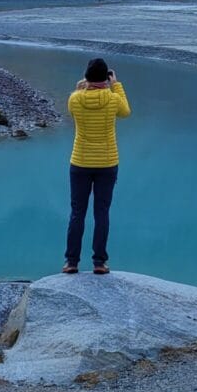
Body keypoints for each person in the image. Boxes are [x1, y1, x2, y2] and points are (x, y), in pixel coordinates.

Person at [63, 57, 129, 275]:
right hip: (107, 163)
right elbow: (126, 111)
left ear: (87, 77)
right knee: (102, 213)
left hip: (80, 162)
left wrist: (84, 87)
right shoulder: (112, 99)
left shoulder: (74, 99)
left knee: (77, 213)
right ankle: (99, 262)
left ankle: (71, 262)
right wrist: (116, 85)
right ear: (106, 78)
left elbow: (76, 106)